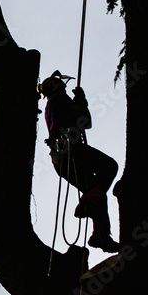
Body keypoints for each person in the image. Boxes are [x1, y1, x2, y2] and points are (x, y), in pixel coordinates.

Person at [38, 71, 120, 252]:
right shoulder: (60, 99)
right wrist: (82, 101)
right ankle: (91, 213)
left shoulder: (50, 107)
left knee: (95, 190)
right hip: (71, 149)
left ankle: (101, 236)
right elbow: (86, 121)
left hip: (59, 158)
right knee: (109, 166)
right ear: (57, 88)